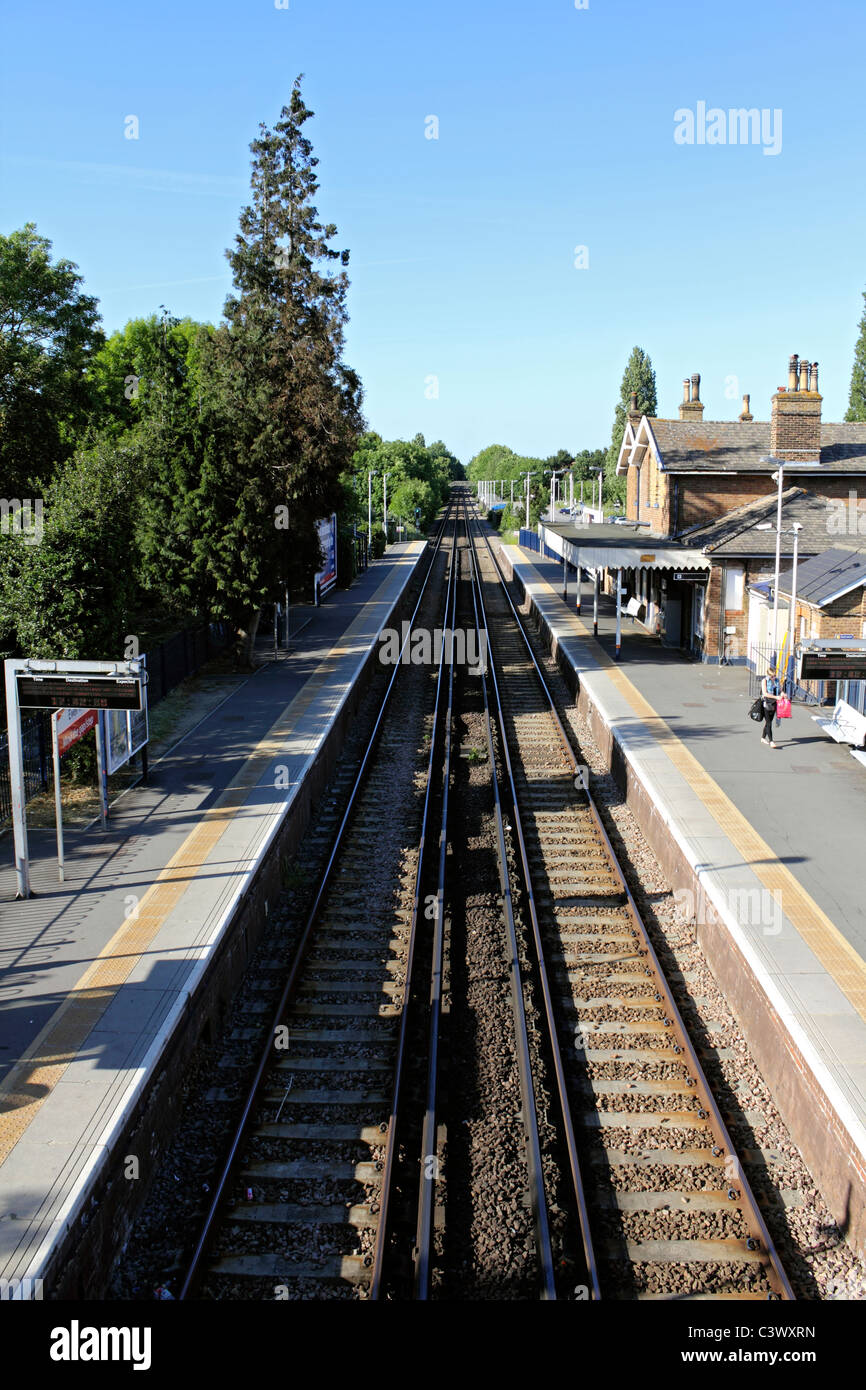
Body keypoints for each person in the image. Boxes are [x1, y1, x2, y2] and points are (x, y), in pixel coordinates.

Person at [761, 665, 781, 747]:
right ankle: (771, 741)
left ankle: (762, 738)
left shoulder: (777, 681)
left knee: (768, 722)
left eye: (774, 676)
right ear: (768, 675)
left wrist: (783, 694)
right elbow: (765, 693)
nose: (773, 677)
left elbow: (780, 691)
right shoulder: (764, 681)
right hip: (766, 703)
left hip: (774, 703)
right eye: (772, 676)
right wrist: (776, 697)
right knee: (769, 723)